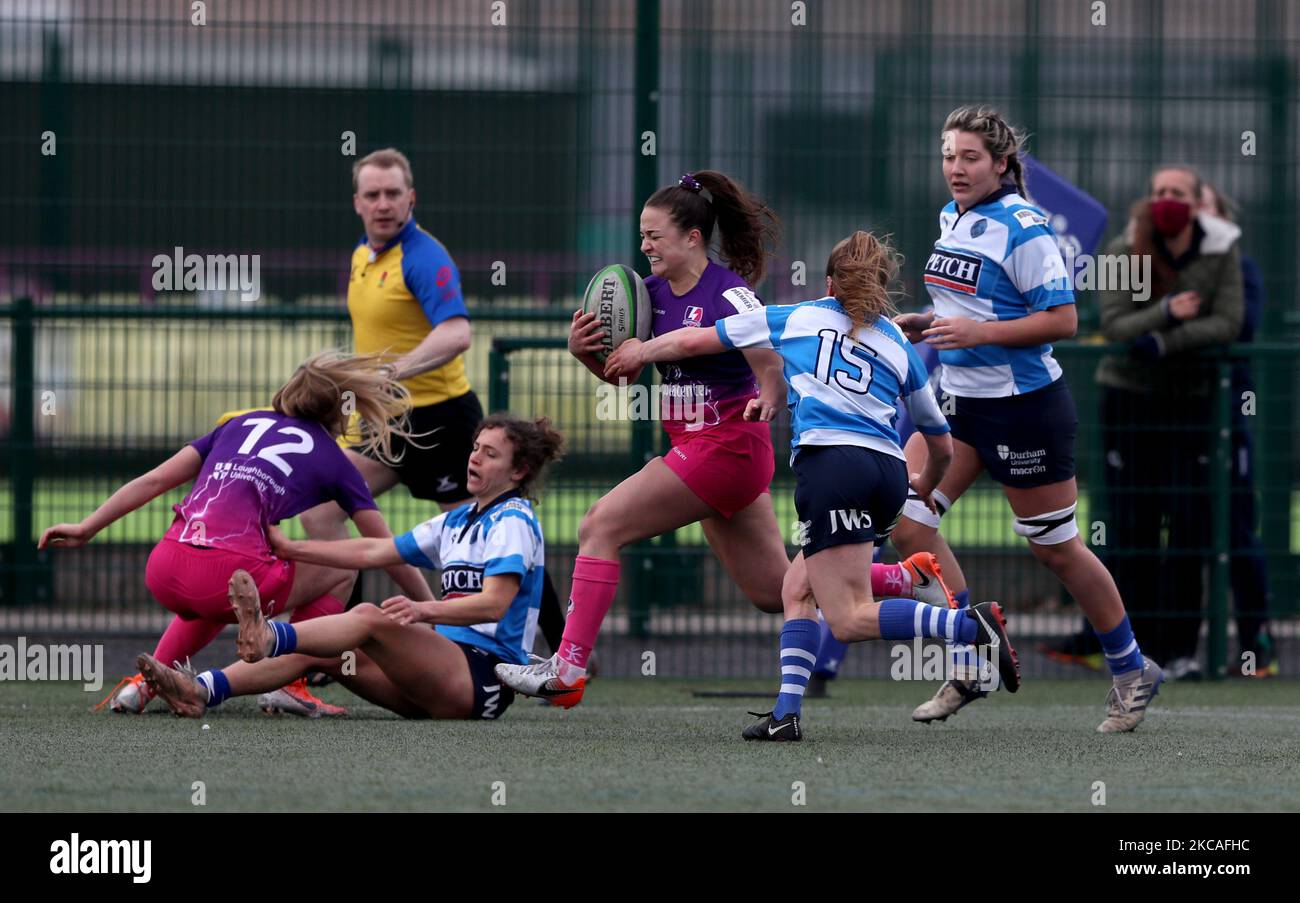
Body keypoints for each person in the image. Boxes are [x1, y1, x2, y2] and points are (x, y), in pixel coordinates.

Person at [495, 171, 955, 705]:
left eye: (654, 235)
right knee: (776, 591)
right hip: (700, 453)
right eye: (641, 236)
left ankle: (568, 671)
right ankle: (904, 578)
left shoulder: (730, 294)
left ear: (692, 238)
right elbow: (624, 374)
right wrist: (585, 352)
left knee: (600, 525)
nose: (644, 246)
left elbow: (771, 365)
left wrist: (769, 395)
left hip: (728, 448)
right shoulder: (645, 295)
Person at [603, 230, 1019, 740]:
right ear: (881, 288)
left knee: (846, 620)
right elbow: (941, 444)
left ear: (828, 282)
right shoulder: (898, 346)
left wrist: (642, 350)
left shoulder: (795, 317)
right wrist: (924, 487)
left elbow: (694, 339)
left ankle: (969, 626)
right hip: (887, 475)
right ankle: (786, 715)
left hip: (833, 469)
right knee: (796, 588)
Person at [890, 105, 1162, 733]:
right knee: (906, 522)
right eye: (948, 155)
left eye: (970, 157)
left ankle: (1130, 669)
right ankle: (975, 654)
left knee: (1057, 551)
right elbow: (965, 304)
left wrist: (981, 331)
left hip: (1023, 410)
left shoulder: (1025, 226)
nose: (955, 168)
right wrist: (926, 322)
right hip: (956, 404)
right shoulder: (951, 217)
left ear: (1002, 163)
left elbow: (1061, 321)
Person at [38, 352, 436, 715]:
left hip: (166, 568)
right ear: (342, 411)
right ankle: (289, 683)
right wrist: (430, 609)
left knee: (223, 595)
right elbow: (385, 550)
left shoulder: (236, 424)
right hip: (230, 572)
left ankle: (143, 685)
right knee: (343, 566)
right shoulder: (333, 458)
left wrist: (86, 527)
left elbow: (153, 480)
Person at [301, 147, 569, 658]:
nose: (383, 203)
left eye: (393, 193)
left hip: (442, 423)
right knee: (322, 510)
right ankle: (341, 646)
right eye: (373, 194)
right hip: (389, 425)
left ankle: (564, 651)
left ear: (411, 198)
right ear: (357, 202)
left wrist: (391, 372)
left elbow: (458, 332)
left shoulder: (423, 257)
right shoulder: (363, 256)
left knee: (491, 537)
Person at [139, 415, 564, 721]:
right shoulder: (457, 520)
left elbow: (494, 605)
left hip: (482, 678)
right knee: (321, 648)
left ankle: (269, 634)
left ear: (519, 470)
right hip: (433, 682)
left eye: (490, 455)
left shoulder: (513, 520)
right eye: (475, 448)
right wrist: (294, 547)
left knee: (364, 617)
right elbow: (371, 553)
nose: (474, 459)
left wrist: (422, 611)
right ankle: (201, 690)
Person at [1093, 165, 1244, 680]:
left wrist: (1162, 342)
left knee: (1186, 526)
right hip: (1129, 399)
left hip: (1193, 403)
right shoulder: (1124, 247)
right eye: (1159, 192)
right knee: (1132, 526)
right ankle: (1132, 650)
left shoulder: (1221, 248)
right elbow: (1115, 326)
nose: (1166, 201)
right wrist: (1166, 313)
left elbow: (1228, 321)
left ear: (1196, 199)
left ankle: (1182, 650)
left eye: (1177, 193)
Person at [1201, 182, 1275, 677]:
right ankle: (1169, 649)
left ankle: (1255, 642)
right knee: (1181, 532)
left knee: (1238, 529)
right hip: (1173, 418)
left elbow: (1237, 326)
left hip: (1225, 417)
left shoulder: (1238, 268)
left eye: (1201, 205)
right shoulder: (1157, 266)